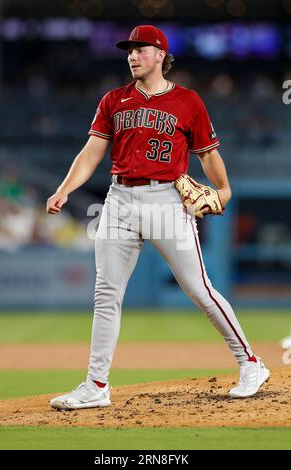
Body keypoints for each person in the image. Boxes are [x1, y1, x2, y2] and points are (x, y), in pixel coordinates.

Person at [47, 25, 269, 410]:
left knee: (198, 288)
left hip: (166, 198)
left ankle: (251, 363)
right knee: (106, 293)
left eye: (140, 49)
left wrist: (225, 189)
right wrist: (65, 187)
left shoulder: (188, 101)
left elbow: (208, 153)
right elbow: (91, 152)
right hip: (118, 198)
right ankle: (96, 385)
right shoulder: (114, 100)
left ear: (161, 55)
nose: (132, 56)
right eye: (129, 50)